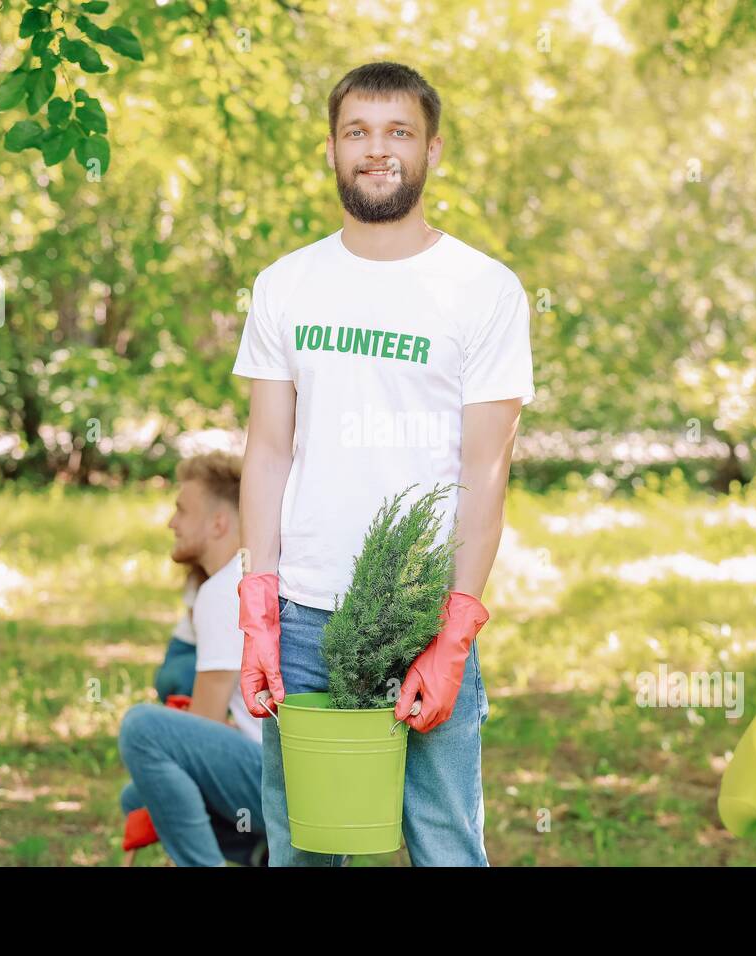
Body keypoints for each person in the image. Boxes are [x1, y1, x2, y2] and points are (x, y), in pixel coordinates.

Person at [232, 61, 534, 866]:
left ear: (432, 149)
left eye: (398, 131)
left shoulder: (483, 289)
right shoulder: (286, 284)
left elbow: (487, 471)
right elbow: (265, 451)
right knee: (300, 847)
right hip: (301, 613)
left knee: (444, 845)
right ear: (332, 148)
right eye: (358, 131)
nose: (377, 149)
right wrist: (258, 603)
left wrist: (456, 629)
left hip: (423, 611)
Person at [117, 452, 267, 866]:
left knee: (143, 731)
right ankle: (254, 852)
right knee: (135, 794)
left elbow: (202, 723)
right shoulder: (255, 577)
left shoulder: (223, 591)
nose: (172, 522)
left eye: (182, 509)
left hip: (276, 782)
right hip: (303, 777)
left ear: (219, 523)